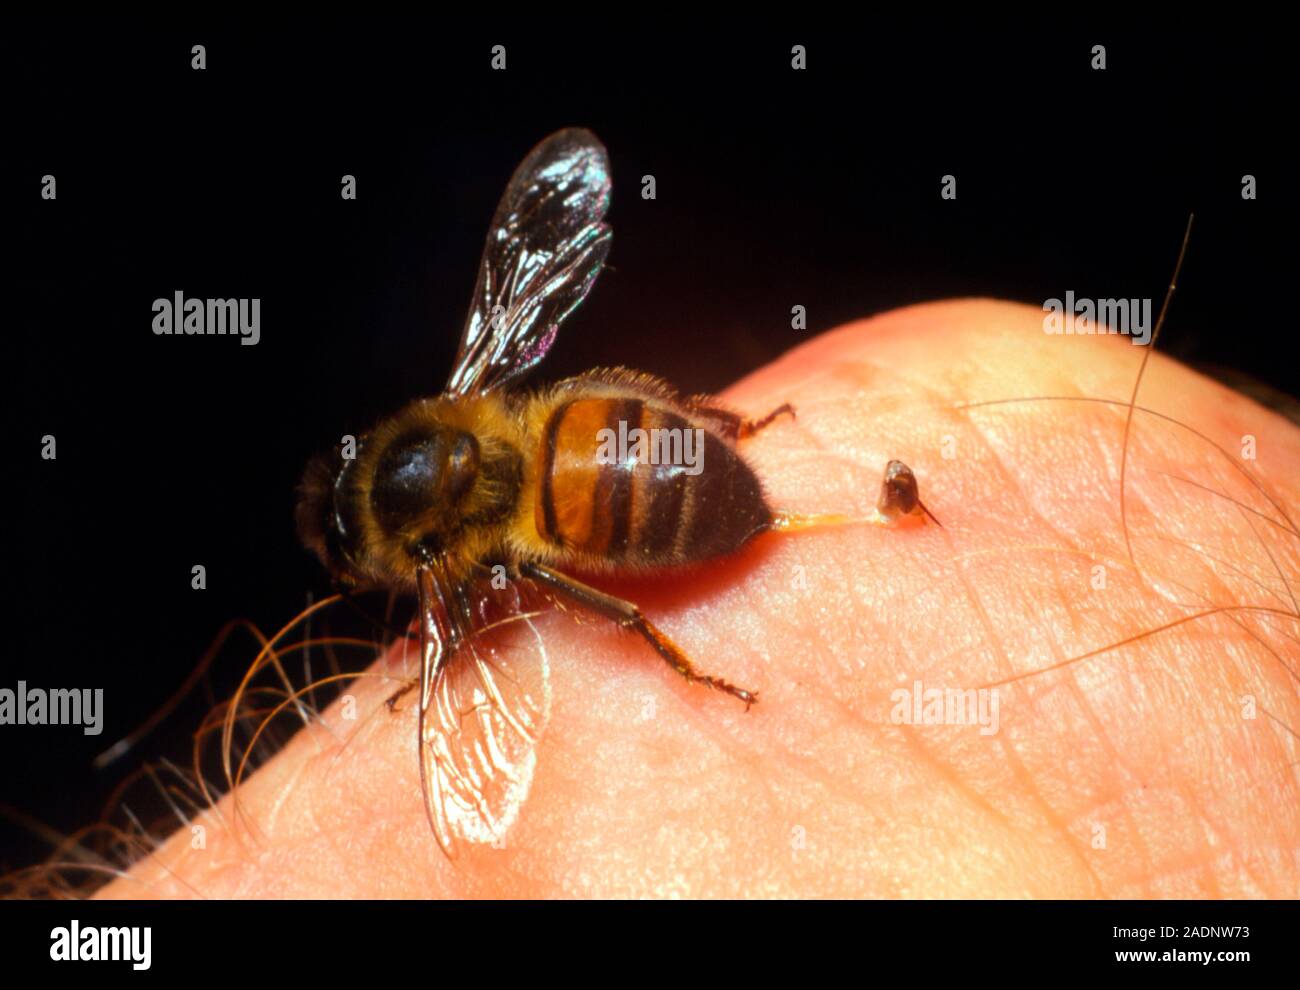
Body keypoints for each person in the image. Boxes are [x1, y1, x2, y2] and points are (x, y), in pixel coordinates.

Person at [97, 300, 1300, 898]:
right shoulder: (481, 384)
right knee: (583, 399)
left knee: (555, 561)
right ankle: (720, 437)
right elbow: (585, 349)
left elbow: (462, 703)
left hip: (620, 513)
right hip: (602, 444)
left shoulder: (446, 570)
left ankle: (687, 614)